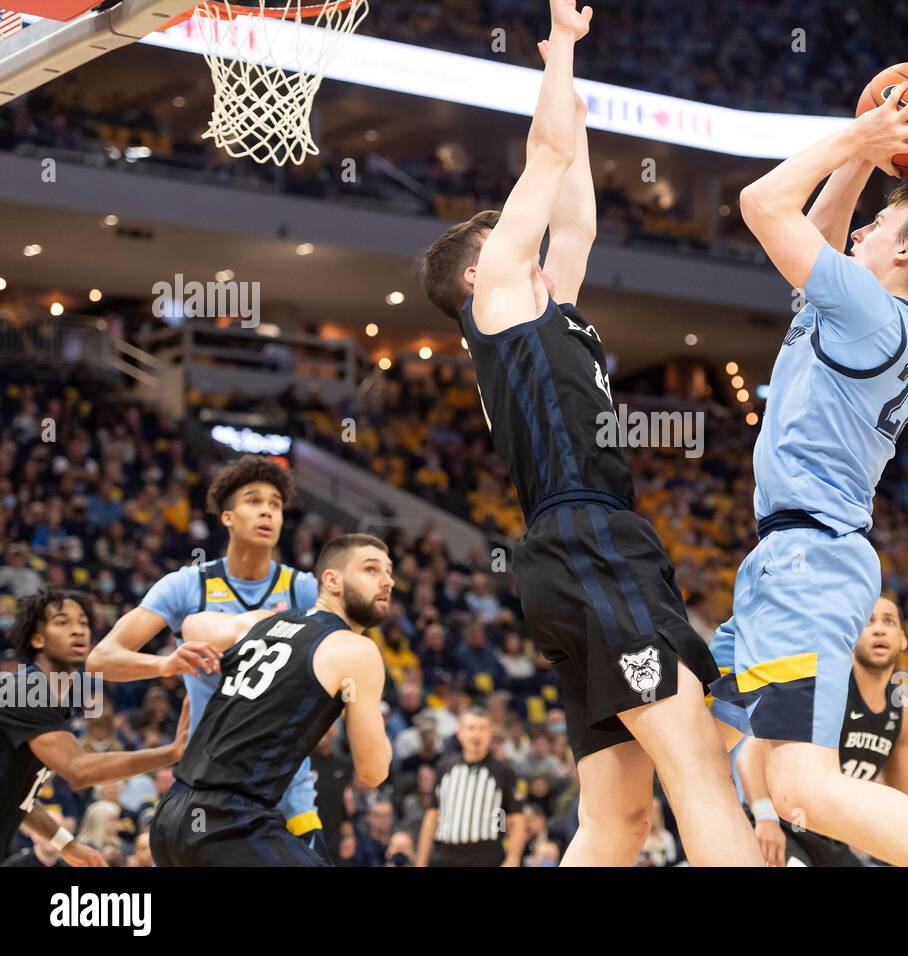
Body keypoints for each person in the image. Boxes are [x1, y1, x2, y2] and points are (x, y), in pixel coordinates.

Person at [418, 0, 761, 867]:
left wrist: (565, 90)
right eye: (506, 232)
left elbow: (577, 219)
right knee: (699, 772)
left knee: (619, 820)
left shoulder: (545, 311)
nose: (524, 235)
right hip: (589, 538)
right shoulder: (496, 290)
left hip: (575, 550)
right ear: (476, 266)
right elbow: (546, 159)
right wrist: (563, 51)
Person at [706, 79, 908, 867]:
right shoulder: (872, 310)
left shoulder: (867, 309)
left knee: (807, 790)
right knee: (707, 749)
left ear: (903, 253)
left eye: (879, 227)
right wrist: (862, 159)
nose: (859, 231)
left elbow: (764, 204)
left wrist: (858, 138)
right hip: (793, 557)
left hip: (810, 559)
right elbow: (820, 226)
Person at [87, 455, 327, 854]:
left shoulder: (303, 590)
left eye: (276, 504)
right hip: (210, 782)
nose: (268, 509)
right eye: (254, 500)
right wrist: (164, 662)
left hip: (288, 786)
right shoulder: (187, 585)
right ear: (227, 517)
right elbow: (101, 658)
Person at [148, 534, 392, 867]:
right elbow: (373, 772)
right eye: (371, 569)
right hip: (227, 822)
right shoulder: (356, 650)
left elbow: (192, 623)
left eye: (389, 572)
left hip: (171, 817)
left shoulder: (261, 622)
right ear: (332, 580)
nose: (387, 581)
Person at [1, 589, 189, 865]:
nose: (77, 630)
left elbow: (22, 798)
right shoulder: (25, 690)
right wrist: (170, 753)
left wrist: (67, 844)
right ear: (38, 639)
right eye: (62, 622)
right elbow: (79, 770)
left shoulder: (54, 702)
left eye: (83, 623)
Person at [736, 597, 908, 866]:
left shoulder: (902, 713)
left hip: (832, 837)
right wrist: (764, 817)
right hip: (781, 826)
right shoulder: (824, 684)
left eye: (888, 621)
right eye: (868, 622)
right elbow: (752, 749)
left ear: (903, 639)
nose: (879, 629)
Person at [414, 707, 524, 867]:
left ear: (490, 734)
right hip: (446, 856)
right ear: (460, 733)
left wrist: (513, 859)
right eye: (471, 728)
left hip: (488, 857)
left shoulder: (504, 772)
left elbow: (517, 820)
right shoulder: (444, 768)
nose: (476, 734)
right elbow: (432, 818)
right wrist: (420, 861)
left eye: (482, 728)